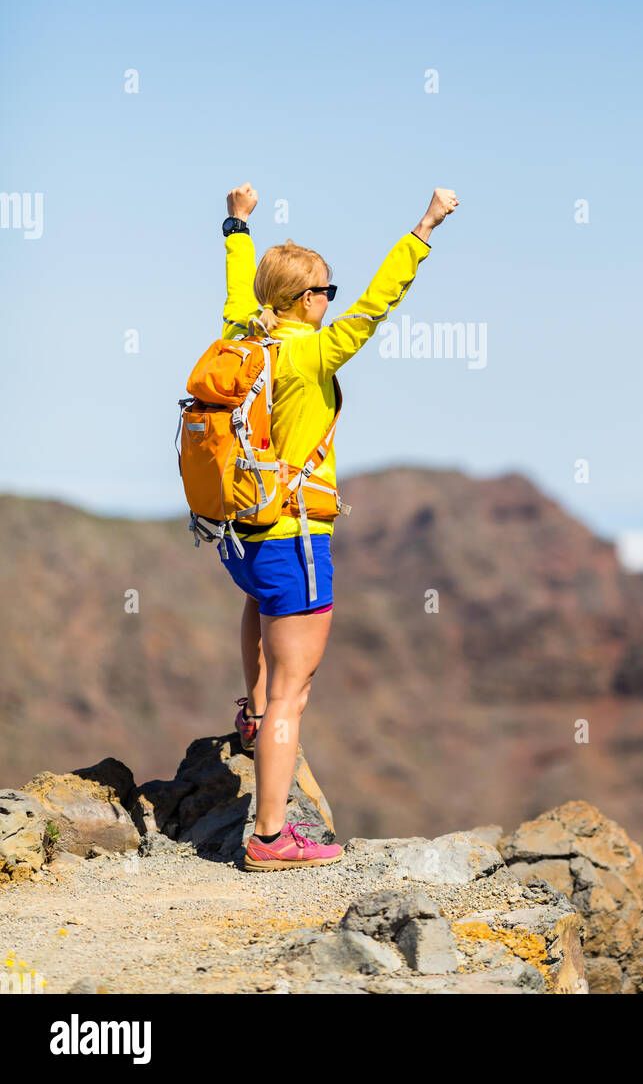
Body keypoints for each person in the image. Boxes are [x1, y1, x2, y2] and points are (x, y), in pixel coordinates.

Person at [218, 183, 459, 870]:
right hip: (295, 535)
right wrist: (424, 228)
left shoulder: (243, 335)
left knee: (259, 603)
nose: (332, 299)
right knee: (297, 688)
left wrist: (236, 224)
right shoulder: (312, 352)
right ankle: (269, 837)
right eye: (326, 290)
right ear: (304, 301)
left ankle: (254, 714)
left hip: (241, 533)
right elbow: (380, 303)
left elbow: (239, 284)